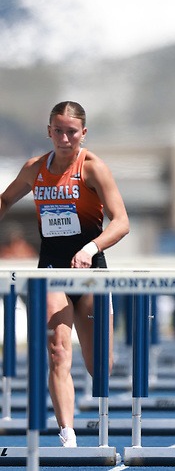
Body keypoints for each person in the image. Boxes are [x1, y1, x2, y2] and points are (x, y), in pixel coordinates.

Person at [0, 101, 130, 447]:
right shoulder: (35, 169)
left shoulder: (92, 168)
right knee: (57, 350)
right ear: (49, 131)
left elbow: (122, 222)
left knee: (100, 365)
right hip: (52, 271)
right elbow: (4, 200)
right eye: (58, 130)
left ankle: (100, 421)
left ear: (83, 134)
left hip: (90, 272)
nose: (64, 137)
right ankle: (67, 434)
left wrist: (91, 248)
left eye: (71, 131)